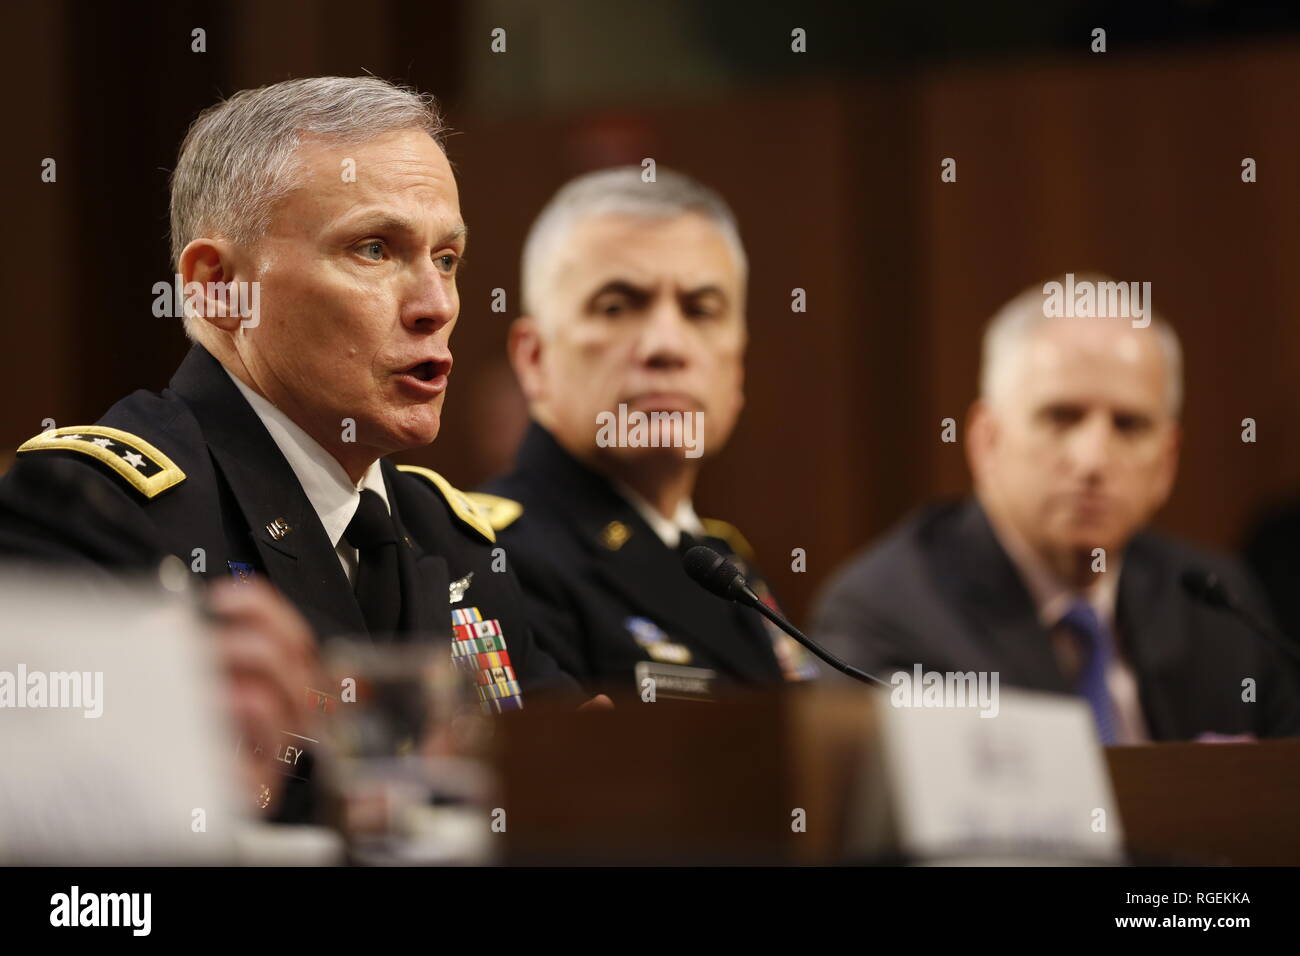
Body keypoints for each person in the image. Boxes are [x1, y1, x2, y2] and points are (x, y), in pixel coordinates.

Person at [0, 76, 587, 822]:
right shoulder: (93, 512)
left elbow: (569, 782)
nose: (435, 304)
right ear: (218, 286)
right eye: (375, 249)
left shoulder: (458, 537)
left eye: (446, 258)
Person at [812, 277, 1300, 741]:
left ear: (1167, 463)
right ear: (987, 441)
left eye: (1129, 426)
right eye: (1060, 417)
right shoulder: (887, 615)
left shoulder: (1217, 605)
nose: (1092, 459)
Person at [474, 167, 817, 699]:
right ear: (534, 359)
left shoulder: (725, 561)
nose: (666, 346)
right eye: (617, 306)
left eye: (701, 310)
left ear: (738, 366)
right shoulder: (491, 559)